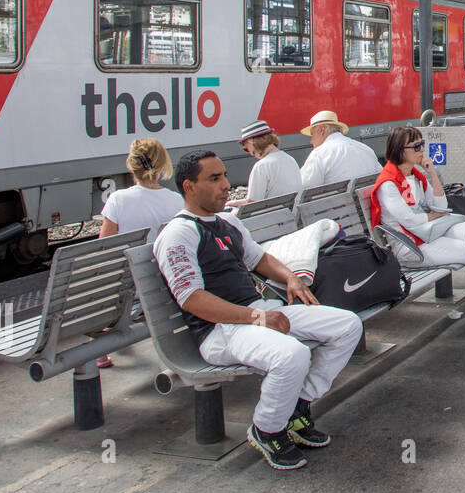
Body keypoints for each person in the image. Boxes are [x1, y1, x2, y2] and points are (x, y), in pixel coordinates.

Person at [153, 151, 363, 470]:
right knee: (292, 355)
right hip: (222, 330)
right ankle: (267, 428)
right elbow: (192, 299)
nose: (226, 185)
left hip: (257, 313)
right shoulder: (178, 234)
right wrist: (258, 318)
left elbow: (260, 260)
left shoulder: (228, 222)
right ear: (189, 187)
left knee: (347, 325)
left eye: (224, 175)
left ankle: (296, 407)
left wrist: (291, 278)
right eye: (214, 179)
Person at [371, 127, 465, 332]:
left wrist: (432, 173)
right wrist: (432, 216)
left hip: (429, 234)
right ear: (400, 150)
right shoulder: (388, 183)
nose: (421, 150)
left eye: (422, 144)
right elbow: (408, 220)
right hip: (411, 246)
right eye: (416, 146)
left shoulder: (416, 175)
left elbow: (441, 205)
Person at [96, 137, 184, 369]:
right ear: (162, 164)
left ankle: (100, 349)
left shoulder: (117, 200)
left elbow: (103, 249)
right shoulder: (176, 201)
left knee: (104, 278)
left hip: (132, 295)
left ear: (131, 165)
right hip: (167, 288)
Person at [299, 110, 381, 189]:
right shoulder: (365, 148)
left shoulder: (319, 154)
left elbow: (303, 187)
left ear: (321, 130)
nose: (311, 141)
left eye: (312, 134)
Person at [232, 120, 302, 206]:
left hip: (272, 217)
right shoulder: (290, 159)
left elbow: (252, 205)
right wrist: (235, 203)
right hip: (290, 214)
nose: (250, 153)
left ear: (252, 142)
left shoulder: (261, 166)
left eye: (246, 148)